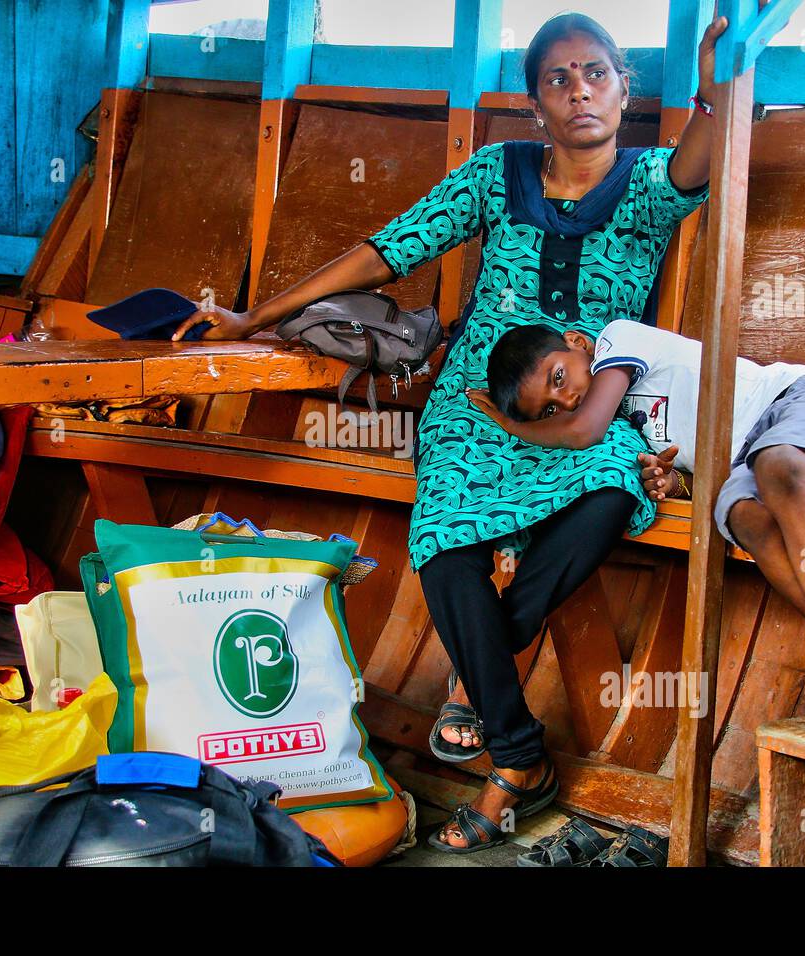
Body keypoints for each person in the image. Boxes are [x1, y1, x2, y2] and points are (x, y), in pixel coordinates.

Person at [172, 11, 728, 853]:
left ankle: (486, 682)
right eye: (557, 80)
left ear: (625, 88)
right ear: (534, 104)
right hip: (476, 405)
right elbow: (387, 251)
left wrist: (716, 84)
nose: (579, 92)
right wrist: (258, 314)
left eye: (597, 75)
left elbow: (701, 154)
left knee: (616, 486)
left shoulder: (651, 184)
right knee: (445, 538)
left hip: (586, 405)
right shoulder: (495, 174)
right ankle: (521, 756)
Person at [469, 319, 805, 766]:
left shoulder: (619, 340)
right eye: (550, 409)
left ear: (576, 342)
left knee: (777, 464)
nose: (566, 399)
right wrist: (673, 481)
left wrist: (517, 428)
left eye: (559, 377)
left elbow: (582, 430)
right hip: (755, 462)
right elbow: (690, 468)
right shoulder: (622, 428)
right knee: (743, 515)